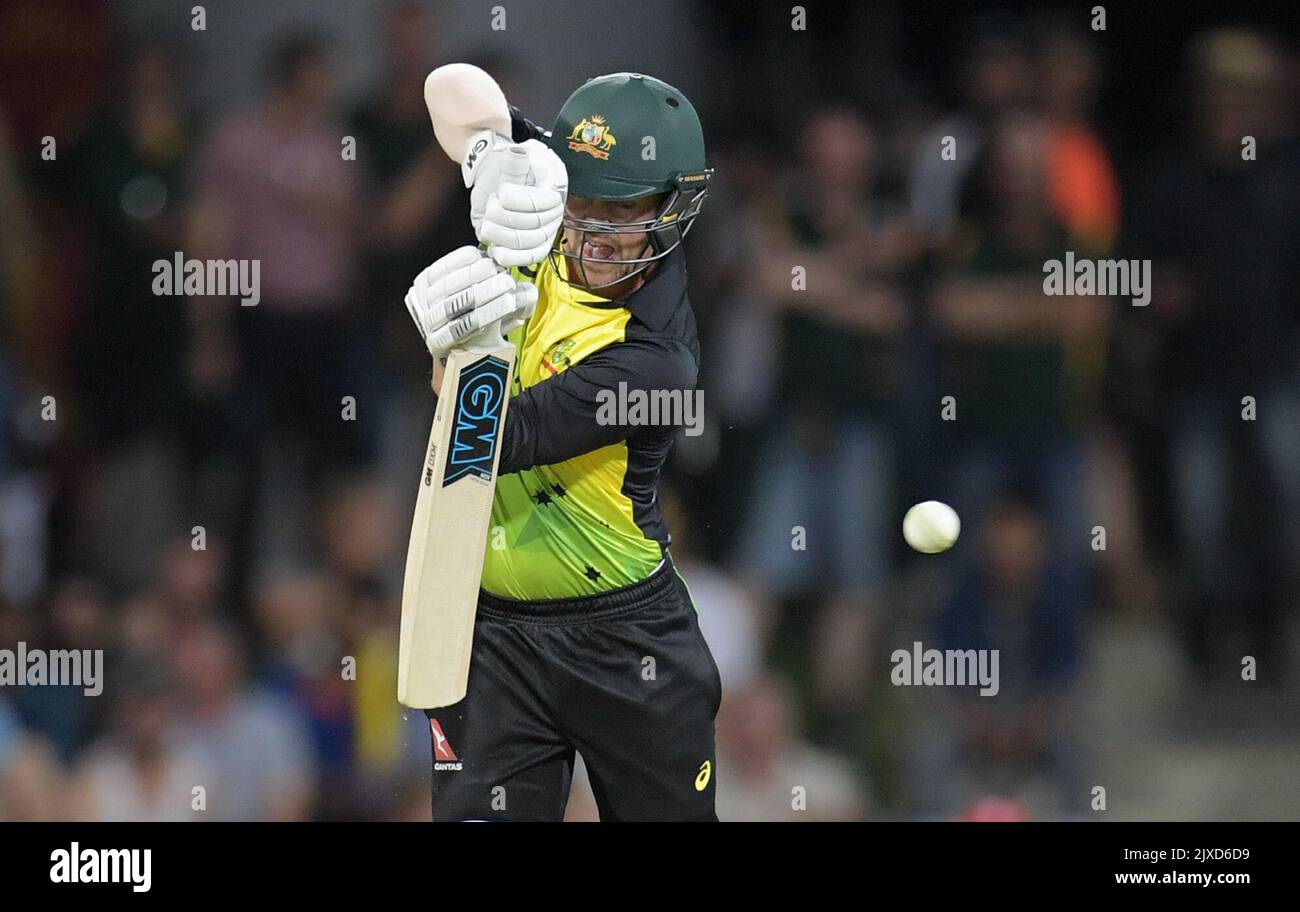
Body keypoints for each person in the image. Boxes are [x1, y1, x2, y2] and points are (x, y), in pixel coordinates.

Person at [402, 72, 718, 821]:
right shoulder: (549, 188)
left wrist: (453, 355)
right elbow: (449, 88)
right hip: (493, 638)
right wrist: (486, 153)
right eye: (582, 202)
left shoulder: (658, 364)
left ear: (675, 209)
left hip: (628, 645)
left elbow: (486, 444)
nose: (591, 230)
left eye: (621, 211)